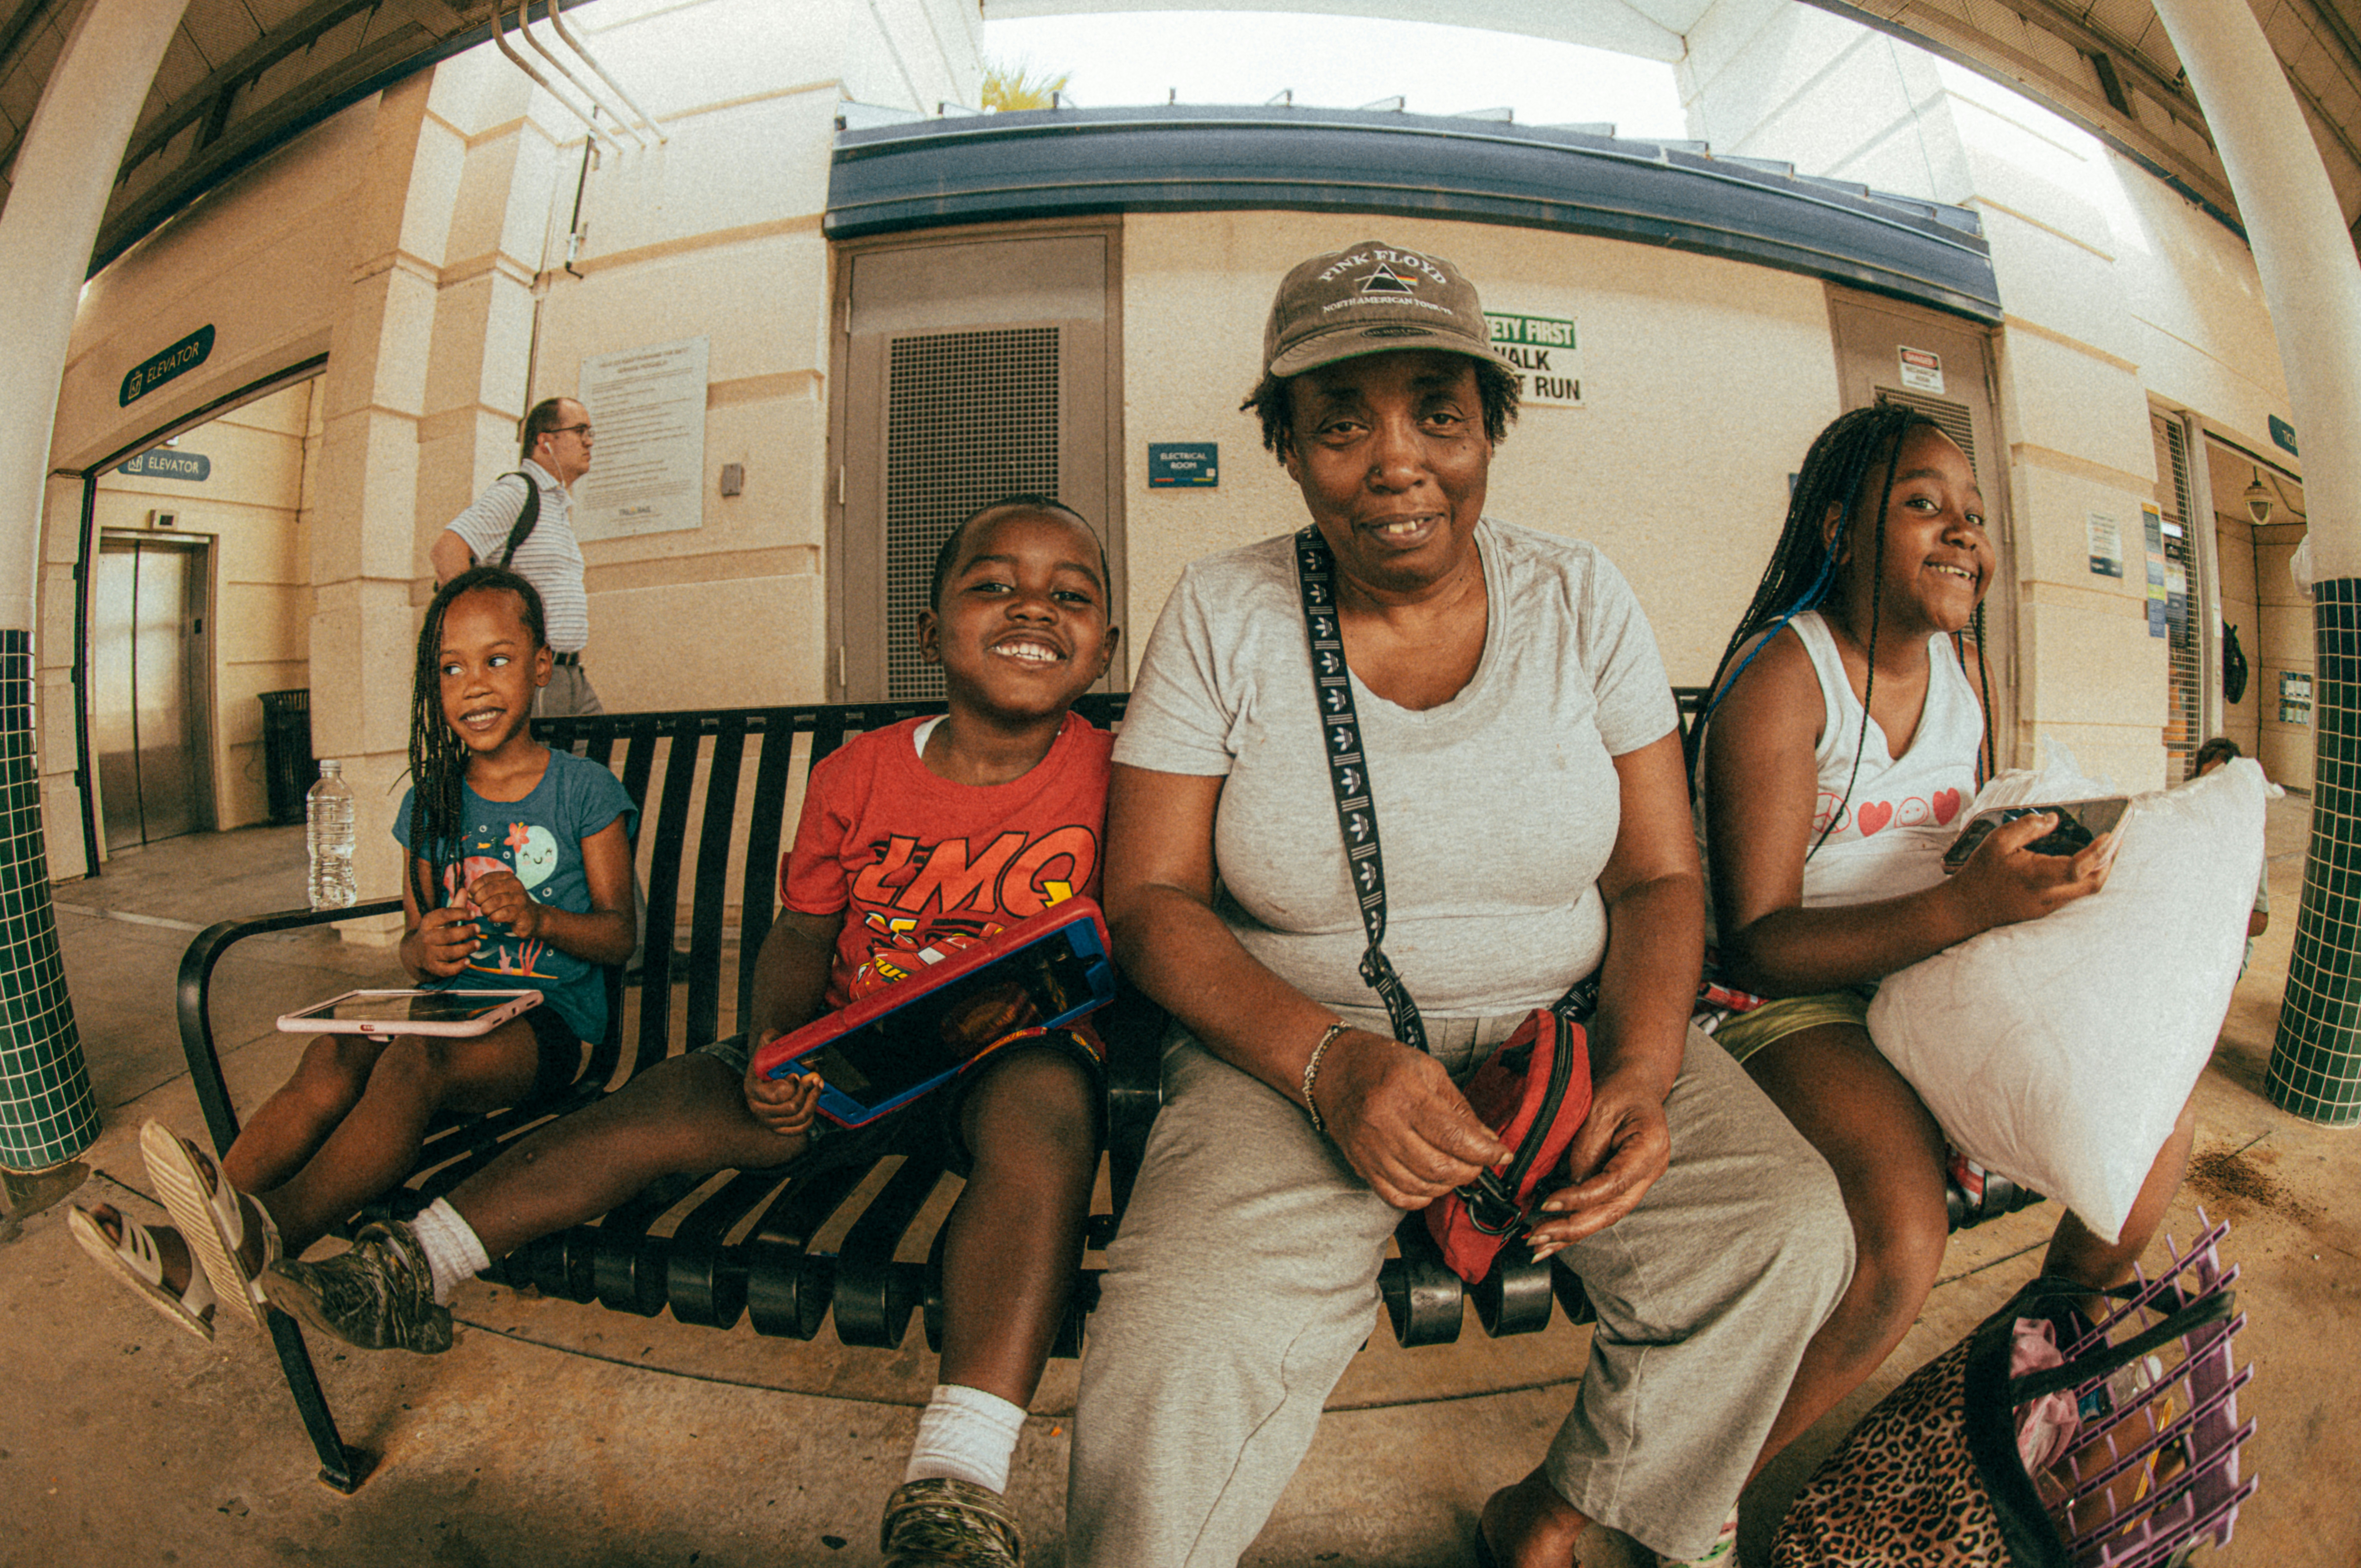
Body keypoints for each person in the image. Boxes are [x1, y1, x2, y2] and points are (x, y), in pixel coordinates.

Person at [1068, 240, 1852, 1568]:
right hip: (1291, 1048)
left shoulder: (1580, 595)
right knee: (1177, 1346)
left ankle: (1562, 1513)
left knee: (1782, 1234)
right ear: (1287, 445)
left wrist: (1644, 1072)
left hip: (1563, 1038)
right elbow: (1147, 897)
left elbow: (1659, 878)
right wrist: (1327, 1066)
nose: (1393, 459)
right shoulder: (1221, 610)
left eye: (1436, 409)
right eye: (1337, 420)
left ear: (1489, 425)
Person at [268, 497, 1120, 1568]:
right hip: (846, 1052)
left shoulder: (1119, 772)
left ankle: (955, 1475)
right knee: (662, 1103)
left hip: (1010, 1054)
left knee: (1045, 1111)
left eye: (1069, 593)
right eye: (991, 582)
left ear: (1105, 645)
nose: (1031, 606)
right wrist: (775, 1041)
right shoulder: (858, 774)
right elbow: (800, 929)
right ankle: (416, 1266)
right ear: (928, 629)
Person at [1692, 403, 2197, 1487]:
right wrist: (1965, 912)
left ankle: (2025, 1378)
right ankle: (1700, 1489)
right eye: (1923, 504)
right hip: (1786, 1003)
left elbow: (1957, 858)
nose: (1964, 533)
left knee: (2152, 1106)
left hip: (1918, 972)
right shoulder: (1784, 678)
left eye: (1972, 515)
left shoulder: (1961, 680)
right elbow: (1754, 947)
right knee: (1899, 1238)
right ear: (1837, 525)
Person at [70, 565, 637, 1342]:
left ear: (542, 665)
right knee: (336, 1053)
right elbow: (413, 951)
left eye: (498, 659)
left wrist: (540, 915)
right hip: (451, 1011)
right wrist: (426, 948)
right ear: (432, 687)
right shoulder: (429, 802)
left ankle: (265, 1237)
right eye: (451, 667)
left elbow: (620, 936)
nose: (474, 683)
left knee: (412, 1066)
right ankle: (193, 1245)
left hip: (548, 1028)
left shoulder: (583, 791)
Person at [432, 396, 601, 716]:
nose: (589, 442)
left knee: (591, 761)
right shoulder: (518, 492)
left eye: (591, 432)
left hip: (570, 672)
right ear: (545, 441)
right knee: (544, 766)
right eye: (580, 431)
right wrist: (480, 640)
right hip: (534, 676)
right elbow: (447, 549)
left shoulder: (555, 503)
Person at [2191, 735, 2269, 972]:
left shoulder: (2248, 841)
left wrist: (2217, 922)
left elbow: (2260, 922)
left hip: (2225, 947)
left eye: (2220, 783)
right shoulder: (2189, 829)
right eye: (2207, 783)